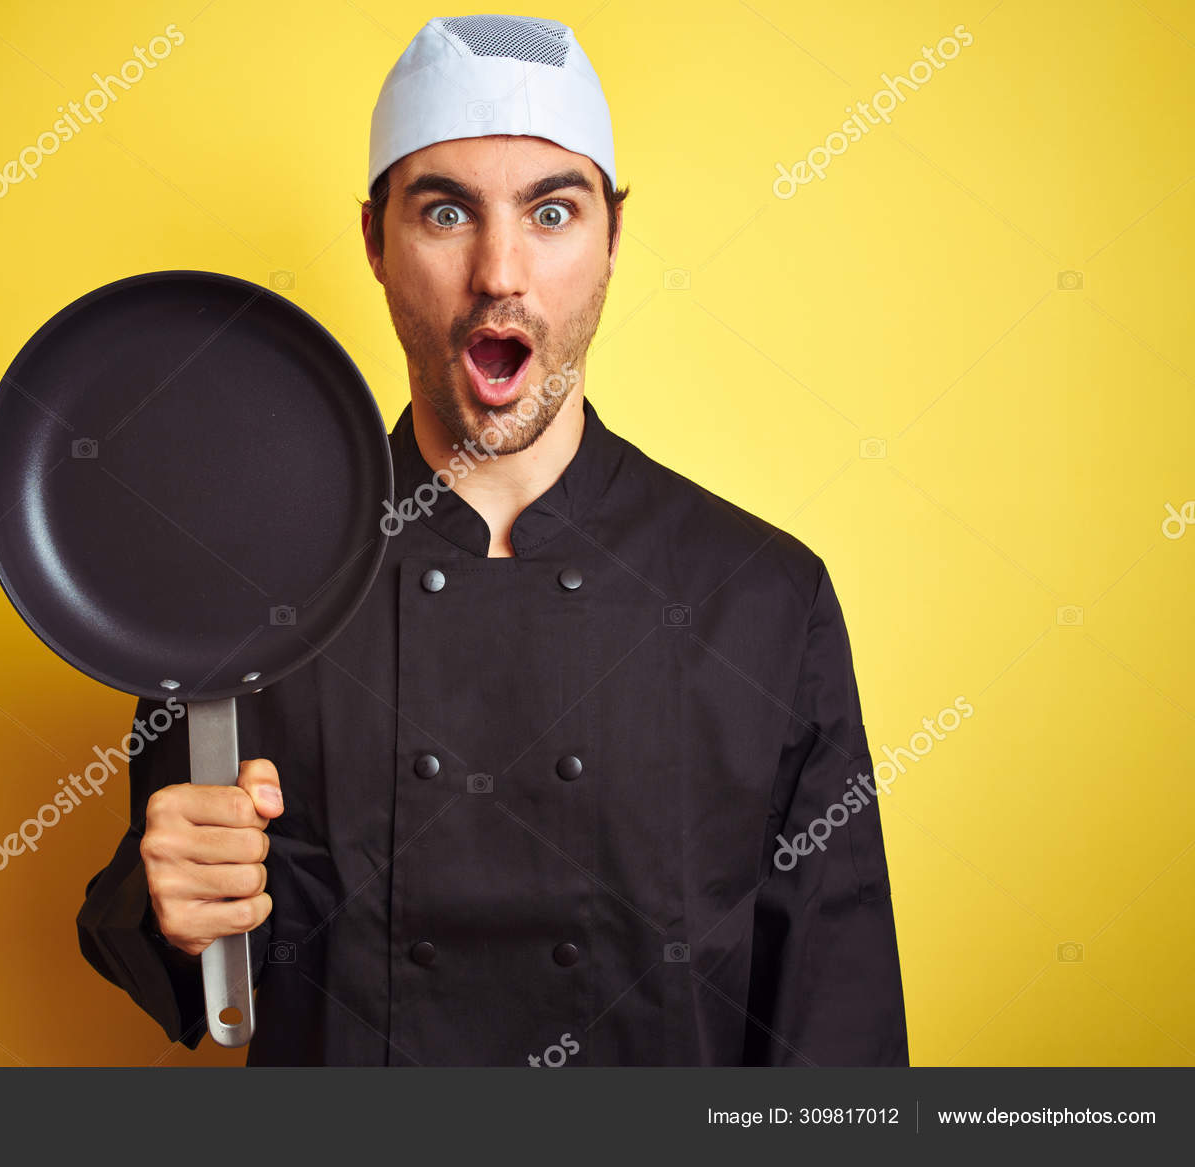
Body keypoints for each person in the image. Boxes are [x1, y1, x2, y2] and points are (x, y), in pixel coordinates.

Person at [77, 13, 909, 1066]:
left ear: (611, 238)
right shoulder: (245, 584)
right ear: (374, 241)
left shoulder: (762, 597)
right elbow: (173, 925)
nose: (499, 272)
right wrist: (168, 904)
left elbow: (836, 1024)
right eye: (444, 213)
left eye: (552, 212)